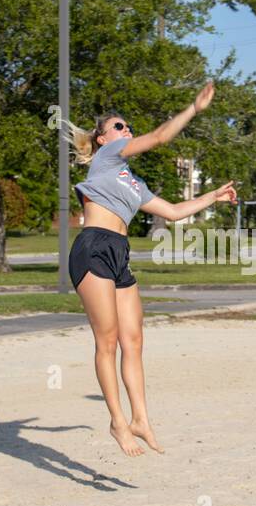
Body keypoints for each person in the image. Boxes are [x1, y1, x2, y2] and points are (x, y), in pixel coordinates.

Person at [65, 81, 237, 456]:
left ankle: (141, 419)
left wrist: (213, 196)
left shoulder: (133, 181)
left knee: (134, 340)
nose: (126, 132)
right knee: (107, 341)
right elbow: (159, 137)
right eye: (120, 127)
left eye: (127, 128)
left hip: (119, 251)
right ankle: (117, 420)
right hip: (92, 247)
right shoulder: (108, 157)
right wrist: (193, 108)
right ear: (101, 139)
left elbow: (173, 212)